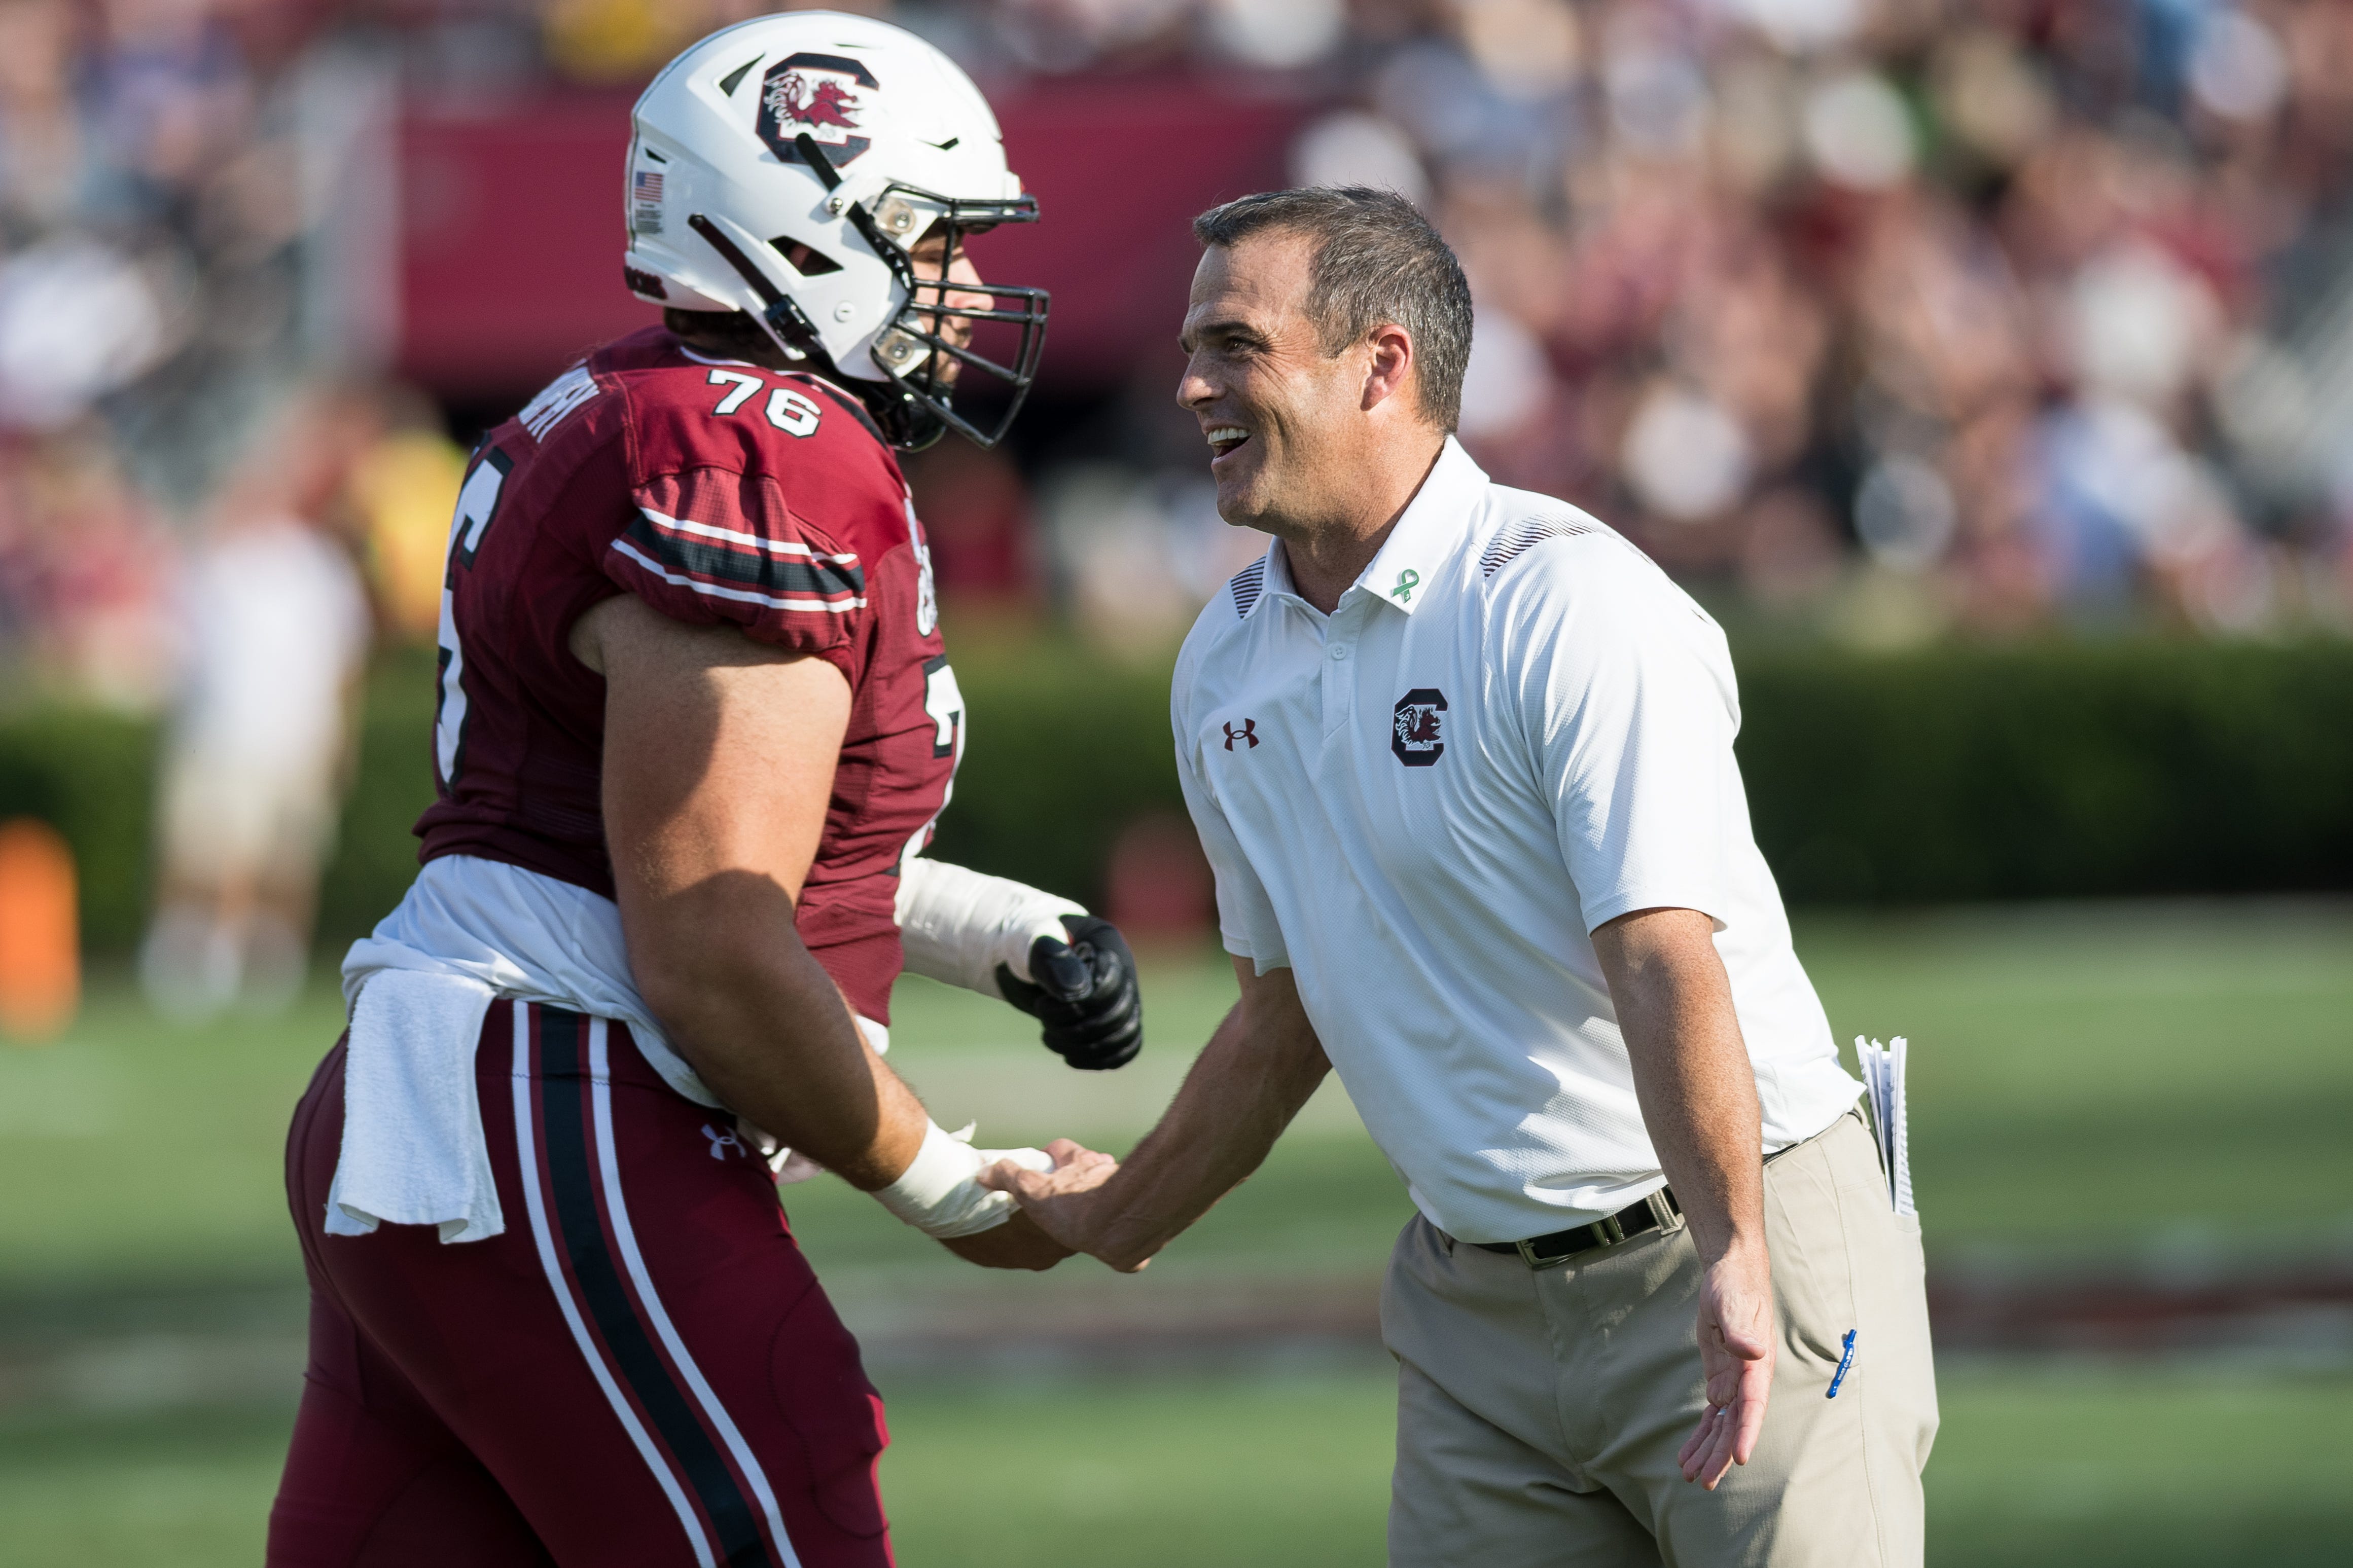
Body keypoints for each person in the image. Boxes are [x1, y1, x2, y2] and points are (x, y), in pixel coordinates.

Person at [267, 17, 1130, 1567]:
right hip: (561, 1101)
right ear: (807, 231)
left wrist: (1001, 932)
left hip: (469, 1100)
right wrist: (953, 1193)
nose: (974, 290)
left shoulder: (647, 407)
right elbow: (712, 933)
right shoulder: (750, 448)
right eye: (934, 238)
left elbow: (703, 835)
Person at [986, 188, 1937, 1567]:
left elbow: (1664, 951)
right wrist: (1116, 1215)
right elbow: (1286, 1012)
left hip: (1743, 1245)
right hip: (1473, 1314)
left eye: (1236, 343)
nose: (1190, 383)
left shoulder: (1568, 601)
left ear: (1381, 367)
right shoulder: (1222, 666)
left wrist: (1739, 1253)